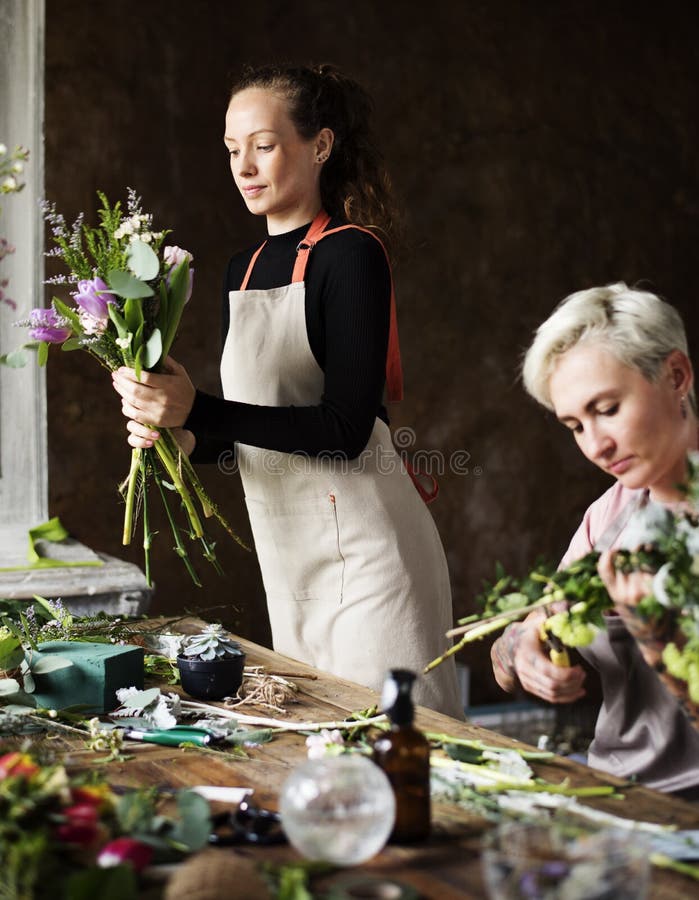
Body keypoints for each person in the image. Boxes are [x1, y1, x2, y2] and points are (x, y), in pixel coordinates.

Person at [111, 63, 463, 719]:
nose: (244, 164)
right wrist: (178, 433)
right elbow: (249, 436)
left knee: (400, 748)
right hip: (293, 563)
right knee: (323, 752)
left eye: (263, 144)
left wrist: (200, 409)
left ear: (319, 145)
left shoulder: (351, 254)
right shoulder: (240, 270)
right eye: (231, 148)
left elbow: (343, 429)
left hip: (369, 562)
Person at [490, 282, 699, 798]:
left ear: (676, 376)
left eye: (607, 409)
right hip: (610, 792)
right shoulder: (611, 513)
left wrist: (659, 635)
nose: (596, 446)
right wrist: (524, 651)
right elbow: (509, 646)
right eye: (575, 425)